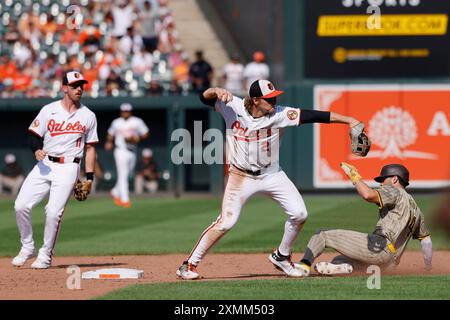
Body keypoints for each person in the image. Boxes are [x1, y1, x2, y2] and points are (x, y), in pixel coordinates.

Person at [176, 79, 367, 280]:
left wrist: (350, 120)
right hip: (240, 176)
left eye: (275, 97)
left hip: (272, 174)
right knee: (226, 222)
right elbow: (203, 98)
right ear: (256, 100)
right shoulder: (233, 106)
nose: (274, 101)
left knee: (299, 213)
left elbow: (316, 116)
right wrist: (214, 90)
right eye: (270, 98)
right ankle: (188, 265)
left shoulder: (279, 114)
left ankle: (282, 256)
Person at [12, 71, 98, 269]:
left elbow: (91, 147)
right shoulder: (48, 110)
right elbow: (33, 134)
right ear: (64, 88)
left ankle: (45, 255)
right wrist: (36, 150)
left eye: (81, 86)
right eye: (75, 85)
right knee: (20, 205)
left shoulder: (88, 115)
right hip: (45, 164)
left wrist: (90, 176)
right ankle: (27, 247)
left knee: (53, 212)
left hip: (69, 166)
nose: (79, 89)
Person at [296, 163, 433, 276]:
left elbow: (368, 195)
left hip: (380, 247)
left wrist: (354, 177)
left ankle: (303, 267)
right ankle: (347, 268)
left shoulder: (394, 191)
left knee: (322, 235)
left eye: (383, 180)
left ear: (395, 180)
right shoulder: (417, 210)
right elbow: (426, 241)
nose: (381, 184)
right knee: (339, 259)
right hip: (389, 263)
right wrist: (428, 267)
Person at [105, 103, 149, 208]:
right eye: (124, 111)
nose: (125, 112)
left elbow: (146, 133)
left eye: (127, 111)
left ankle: (115, 191)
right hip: (120, 150)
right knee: (123, 174)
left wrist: (138, 138)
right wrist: (109, 142)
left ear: (130, 111)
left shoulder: (136, 121)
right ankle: (125, 199)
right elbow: (110, 134)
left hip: (132, 150)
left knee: (128, 173)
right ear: (121, 111)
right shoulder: (116, 122)